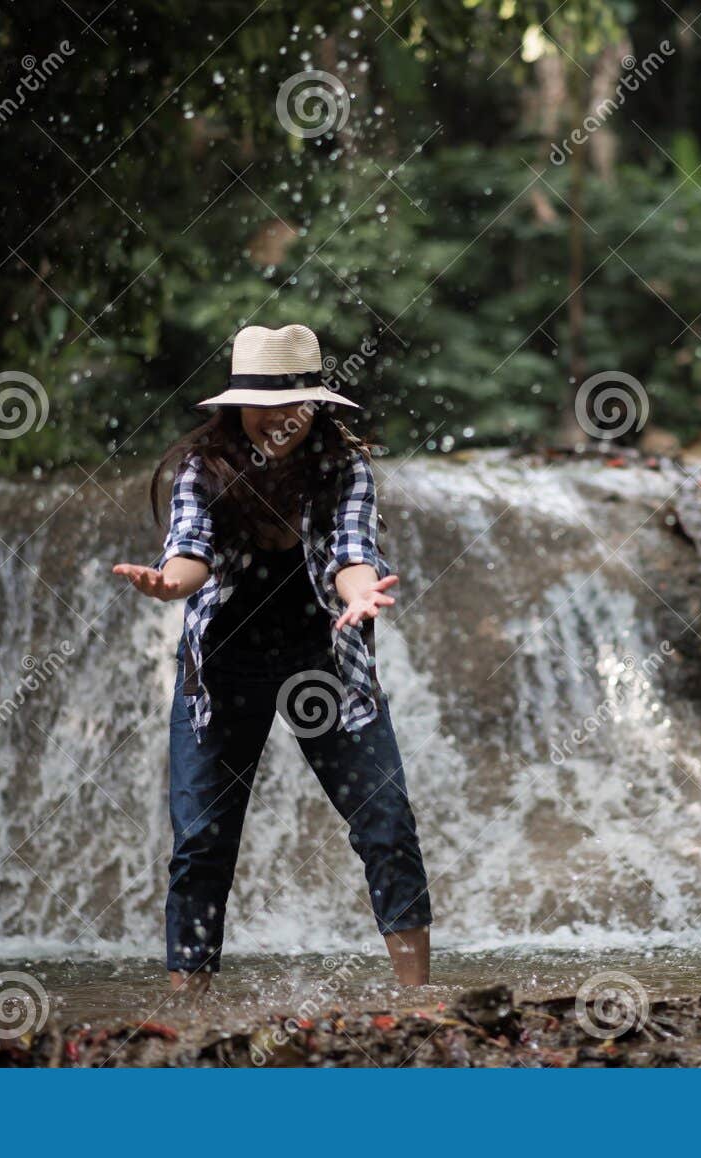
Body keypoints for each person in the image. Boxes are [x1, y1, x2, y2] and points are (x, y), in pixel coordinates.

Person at [113, 323, 432, 996]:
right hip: (224, 669)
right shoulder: (204, 469)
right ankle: (189, 1013)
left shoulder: (343, 467)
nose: (276, 417)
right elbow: (189, 554)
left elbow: (350, 555)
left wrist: (363, 593)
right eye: (260, 402)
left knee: (386, 820)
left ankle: (418, 1001)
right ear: (235, 407)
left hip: (322, 662)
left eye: (290, 402)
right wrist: (168, 584)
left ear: (314, 405)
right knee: (201, 844)